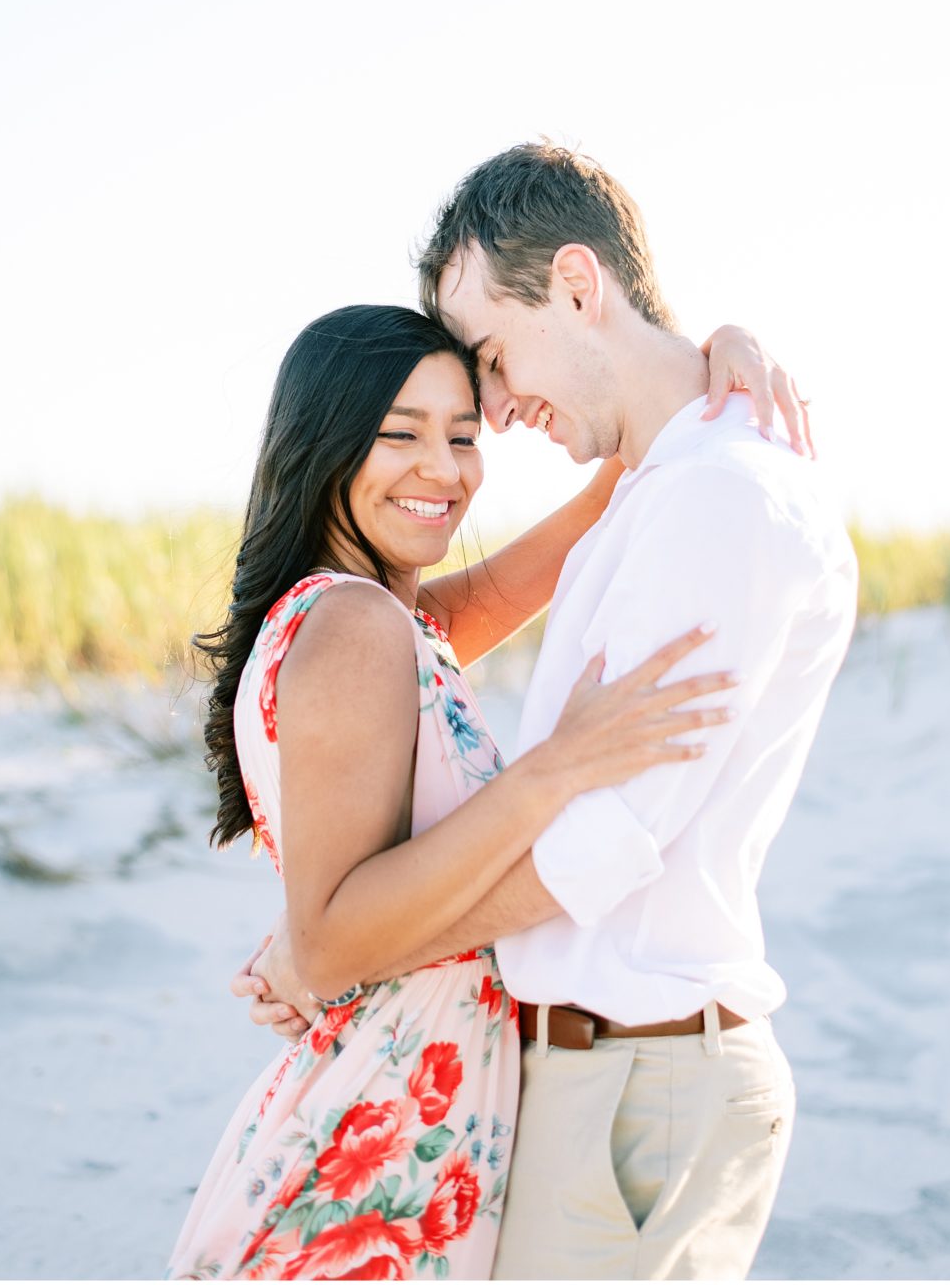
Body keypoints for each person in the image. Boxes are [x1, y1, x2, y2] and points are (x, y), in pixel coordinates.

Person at [245, 143, 857, 1281]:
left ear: (576, 285)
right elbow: (503, 604)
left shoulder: (717, 498)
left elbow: (602, 842)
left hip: (639, 1080)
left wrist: (335, 947)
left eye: (487, 362)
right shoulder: (383, 615)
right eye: (405, 427)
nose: (487, 414)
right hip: (580, 1076)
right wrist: (332, 939)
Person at [168, 301, 757, 1281]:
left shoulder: (391, 621)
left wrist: (709, 353)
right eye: (399, 435)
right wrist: (554, 769)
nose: (442, 470)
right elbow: (329, 941)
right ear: (323, 443)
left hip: (401, 1114)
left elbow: (595, 510)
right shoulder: (355, 627)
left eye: (462, 436)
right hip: (376, 1139)